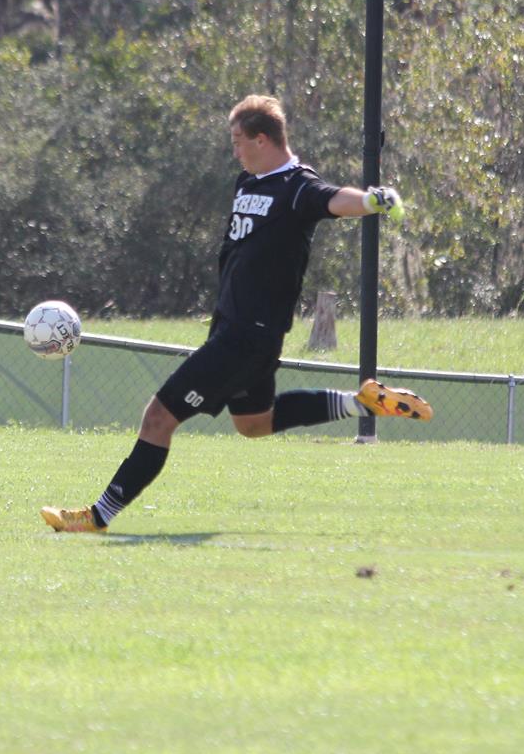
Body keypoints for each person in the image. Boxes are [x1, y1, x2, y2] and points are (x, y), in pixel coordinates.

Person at [41, 94, 432, 533]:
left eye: (238, 141)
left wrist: (374, 200)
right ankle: (359, 402)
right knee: (253, 424)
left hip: (247, 336)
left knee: (159, 416)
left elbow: (336, 199)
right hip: (234, 330)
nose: (234, 151)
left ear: (262, 140)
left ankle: (98, 515)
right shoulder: (246, 183)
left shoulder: (296, 186)